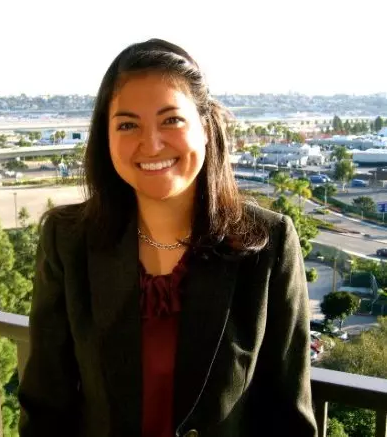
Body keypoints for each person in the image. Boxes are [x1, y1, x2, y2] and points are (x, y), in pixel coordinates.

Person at [18, 38, 318, 437]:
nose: (152, 143)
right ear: (105, 138)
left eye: (171, 120)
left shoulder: (267, 244)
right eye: (127, 125)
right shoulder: (68, 240)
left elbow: (289, 418)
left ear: (207, 129)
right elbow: (46, 406)